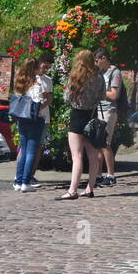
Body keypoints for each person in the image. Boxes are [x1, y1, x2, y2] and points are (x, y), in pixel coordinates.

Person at [58, 49, 104, 201]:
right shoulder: (99, 76)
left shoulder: (76, 77)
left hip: (78, 115)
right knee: (92, 155)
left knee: (77, 156)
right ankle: (90, 188)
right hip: (92, 115)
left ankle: (72, 190)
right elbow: (103, 96)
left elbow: (67, 98)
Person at [11, 57, 47, 192]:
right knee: (31, 151)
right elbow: (38, 104)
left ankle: (18, 181)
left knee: (23, 150)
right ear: (34, 69)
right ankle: (26, 181)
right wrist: (45, 101)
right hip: (35, 120)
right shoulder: (36, 85)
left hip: (22, 119)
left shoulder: (20, 83)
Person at [92, 49, 122, 187]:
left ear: (104, 58)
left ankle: (111, 175)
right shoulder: (100, 72)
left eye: (97, 61)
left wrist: (99, 93)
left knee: (105, 143)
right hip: (98, 109)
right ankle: (98, 174)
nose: (95, 63)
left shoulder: (114, 72)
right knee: (97, 144)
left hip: (108, 110)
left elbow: (114, 94)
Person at [29, 54, 53, 183]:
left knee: (39, 147)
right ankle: (22, 174)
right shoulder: (31, 78)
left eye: (48, 68)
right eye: (44, 67)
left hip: (44, 117)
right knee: (27, 146)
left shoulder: (48, 80)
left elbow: (50, 99)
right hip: (30, 117)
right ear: (39, 64)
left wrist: (41, 106)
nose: (45, 70)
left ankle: (31, 174)